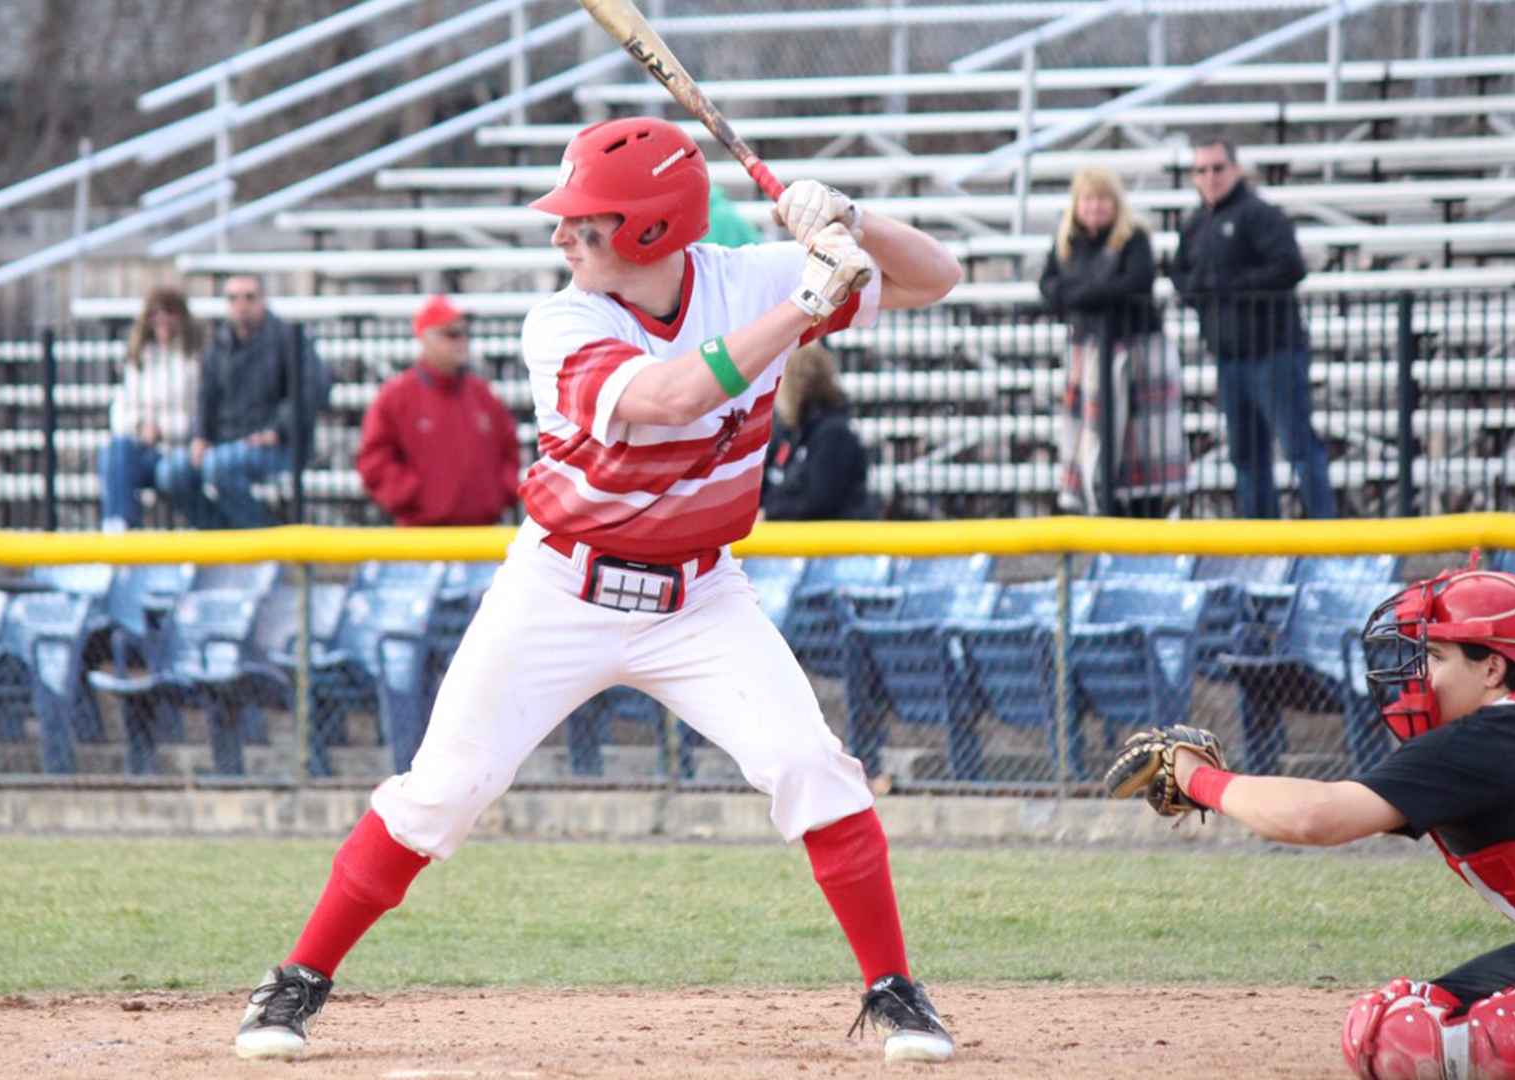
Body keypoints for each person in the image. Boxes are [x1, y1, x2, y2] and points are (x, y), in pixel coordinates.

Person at [230, 116, 964, 1065]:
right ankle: (295, 984)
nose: (560, 236)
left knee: (811, 766)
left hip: (699, 597)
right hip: (560, 590)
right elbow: (669, 400)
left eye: (582, 223)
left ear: (651, 231)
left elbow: (935, 277)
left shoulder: (749, 279)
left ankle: (894, 990)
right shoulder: (565, 320)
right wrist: (807, 296)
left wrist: (849, 221)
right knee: (441, 791)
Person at [1108, 556, 1515, 1080]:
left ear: (1493, 668)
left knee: (1407, 1037)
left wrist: (1198, 779)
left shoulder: (1492, 736)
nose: (1418, 675)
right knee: (1413, 1018)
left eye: (1436, 656)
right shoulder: (1504, 733)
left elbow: (1316, 817)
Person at [1169, 136, 1336, 520]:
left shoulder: (1260, 214)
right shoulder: (1195, 223)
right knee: (1246, 455)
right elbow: (1181, 275)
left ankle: (1328, 537)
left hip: (1273, 352)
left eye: (1217, 168)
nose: (1210, 177)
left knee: (1298, 447)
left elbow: (1289, 268)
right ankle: (1263, 540)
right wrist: (1203, 291)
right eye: (1201, 170)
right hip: (1230, 357)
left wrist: (1228, 285)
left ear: (1236, 169)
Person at [1039, 166, 1187, 518]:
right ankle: (1096, 506)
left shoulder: (1133, 237)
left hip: (1136, 350)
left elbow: (1135, 283)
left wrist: (1079, 294)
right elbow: (1048, 288)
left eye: (1103, 199)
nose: (1095, 207)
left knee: (1141, 440)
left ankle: (1144, 514)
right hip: (1088, 351)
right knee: (1092, 438)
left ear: (1116, 203)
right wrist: (1095, 293)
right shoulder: (1066, 242)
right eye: (1089, 200)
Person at [159, 273, 329, 529]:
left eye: (249, 297)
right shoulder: (217, 344)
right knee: (171, 472)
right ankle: (222, 539)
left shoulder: (287, 338)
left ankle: (267, 539)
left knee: (218, 466)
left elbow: (313, 388)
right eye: (233, 298)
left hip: (278, 446)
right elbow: (206, 398)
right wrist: (200, 436)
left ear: (264, 300)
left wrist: (276, 430)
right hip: (226, 442)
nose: (241, 304)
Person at [355, 295, 520, 527]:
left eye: (464, 333)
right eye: (452, 334)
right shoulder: (396, 397)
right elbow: (373, 462)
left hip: (482, 535)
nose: (462, 341)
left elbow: (510, 449)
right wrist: (415, 496)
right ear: (426, 339)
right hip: (422, 540)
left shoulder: (483, 395)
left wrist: (500, 492)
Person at [97, 286, 203, 532]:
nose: (163, 319)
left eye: (170, 311)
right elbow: (121, 409)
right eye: (156, 312)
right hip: (139, 444)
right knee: (115, 450)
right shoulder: (138, 358)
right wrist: (140, 426)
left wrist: (162, 430)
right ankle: (119, 529)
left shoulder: (194, 360)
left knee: (173, 472)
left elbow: (198, 414)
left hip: (176, 447)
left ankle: (198, 535)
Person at [760, 341, 875, 521]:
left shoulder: (834, 434)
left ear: (795, 383)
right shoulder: (792, 430)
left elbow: (820, 502)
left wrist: (770, 514)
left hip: (833, 544)